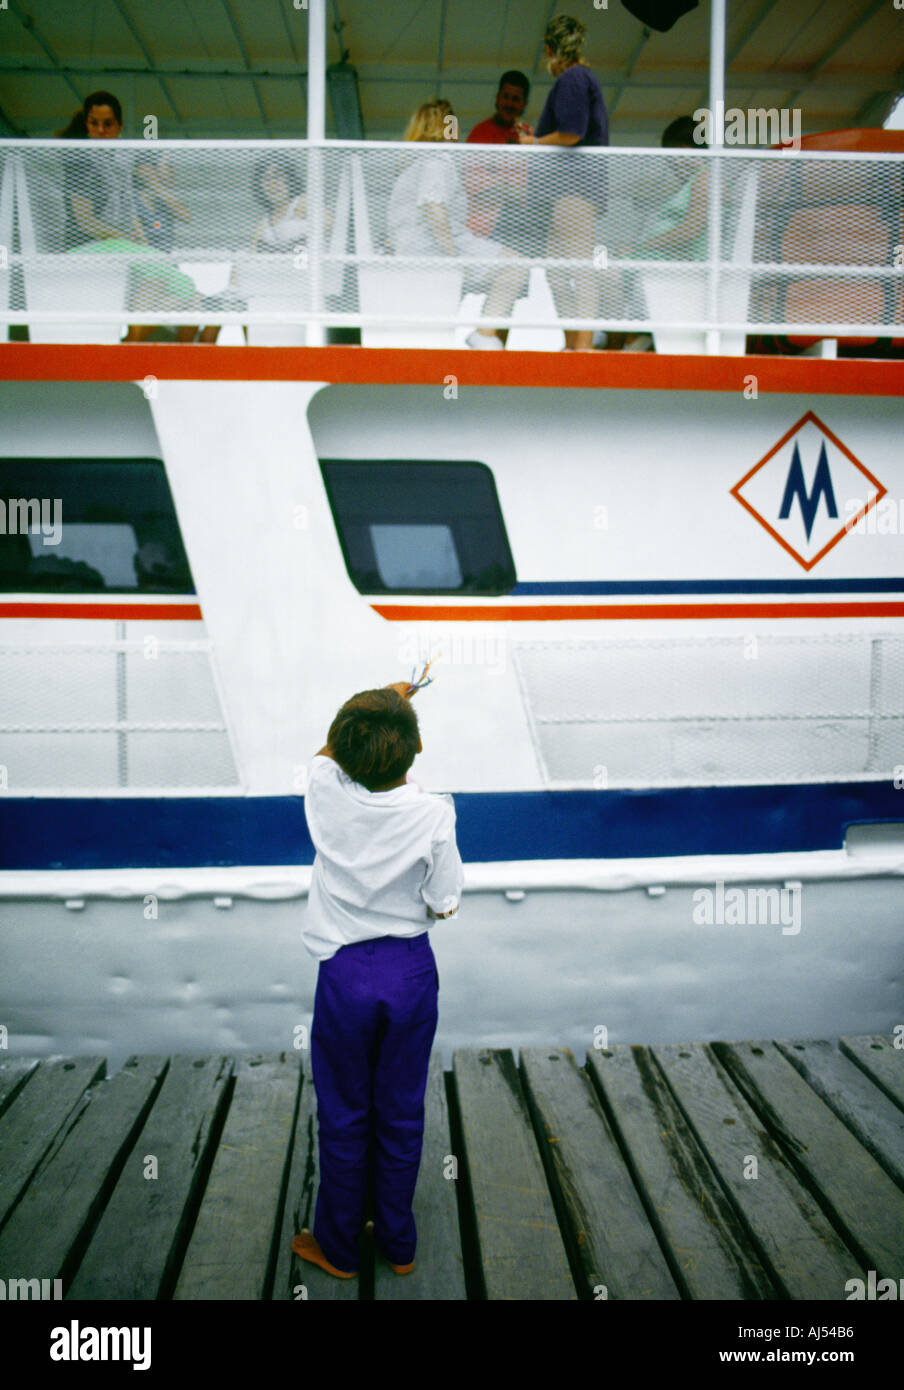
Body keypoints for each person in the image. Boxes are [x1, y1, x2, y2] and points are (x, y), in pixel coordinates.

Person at [292, 680, 463, 1279]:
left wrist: (375, 702)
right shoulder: (434, 814)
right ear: (416, 747)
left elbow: (326, 757)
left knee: (344, 1111)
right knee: (401, 1107)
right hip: (410, 972)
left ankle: (337, 1246)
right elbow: (445, 902)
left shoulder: (323, 792)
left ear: (341, 747)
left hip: (343, 973)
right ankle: (399, 1243)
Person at [56, 92, 199, 342]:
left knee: (187, 289)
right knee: (155, 270)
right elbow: (84, 220)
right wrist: (130, 243)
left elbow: (128, 211)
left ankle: (128, 343)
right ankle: (130, 347)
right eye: (94, 123)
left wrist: (140, 242)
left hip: (116, 247)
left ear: (119, 127)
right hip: (84, 249)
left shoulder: (119, 160)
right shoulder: (80, 160)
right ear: (86, 125)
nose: (100, 130)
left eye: (108, 124)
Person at [387, 99, 529, 348]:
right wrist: (452, 256)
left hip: (415, 249)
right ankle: (484, 335)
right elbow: (435, 207)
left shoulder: (412, 163)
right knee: (515, 266)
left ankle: (480, 336)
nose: (457, 132)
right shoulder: (437, 161)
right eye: (452, 125)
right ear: (442, 127)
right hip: (435, 247)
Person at [518, 15, 609, 350]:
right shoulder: (580, 79)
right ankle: (574, 342)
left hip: (576, 188)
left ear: (549, 50)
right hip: (567, 190)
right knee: (557, 271)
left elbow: (571, 133)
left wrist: (533, 144)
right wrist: (539, 138)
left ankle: (583, 345)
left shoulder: (572, 79)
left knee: (577, 266)